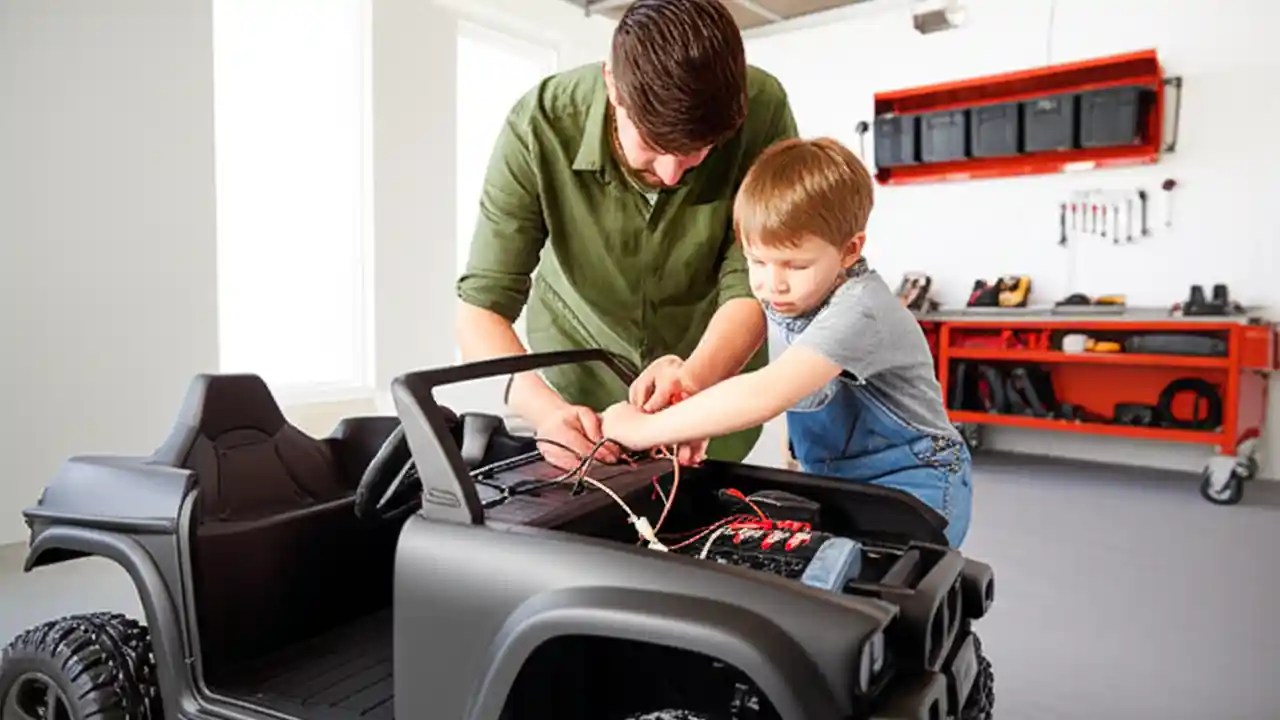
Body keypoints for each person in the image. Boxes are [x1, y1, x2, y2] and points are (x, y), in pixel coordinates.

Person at [455, 0, 798, 470]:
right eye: (654, 147)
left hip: (711, 380)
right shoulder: (539, 127)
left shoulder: (763, 110)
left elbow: (755, 278)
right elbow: (481, 308)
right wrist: (545, 412)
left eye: (700, 151)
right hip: (578, 392)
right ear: (612, 85)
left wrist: (692, 385)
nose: (673, 174)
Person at [600, 137, 974, 548]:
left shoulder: (860, 309)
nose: (772, 283)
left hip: (917, 483)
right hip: (837, 479)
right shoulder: (794, 295)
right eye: (757, 261)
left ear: (850, 250)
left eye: (795, 265)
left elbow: (766, 393)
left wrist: (643, 430)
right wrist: (685, 383)